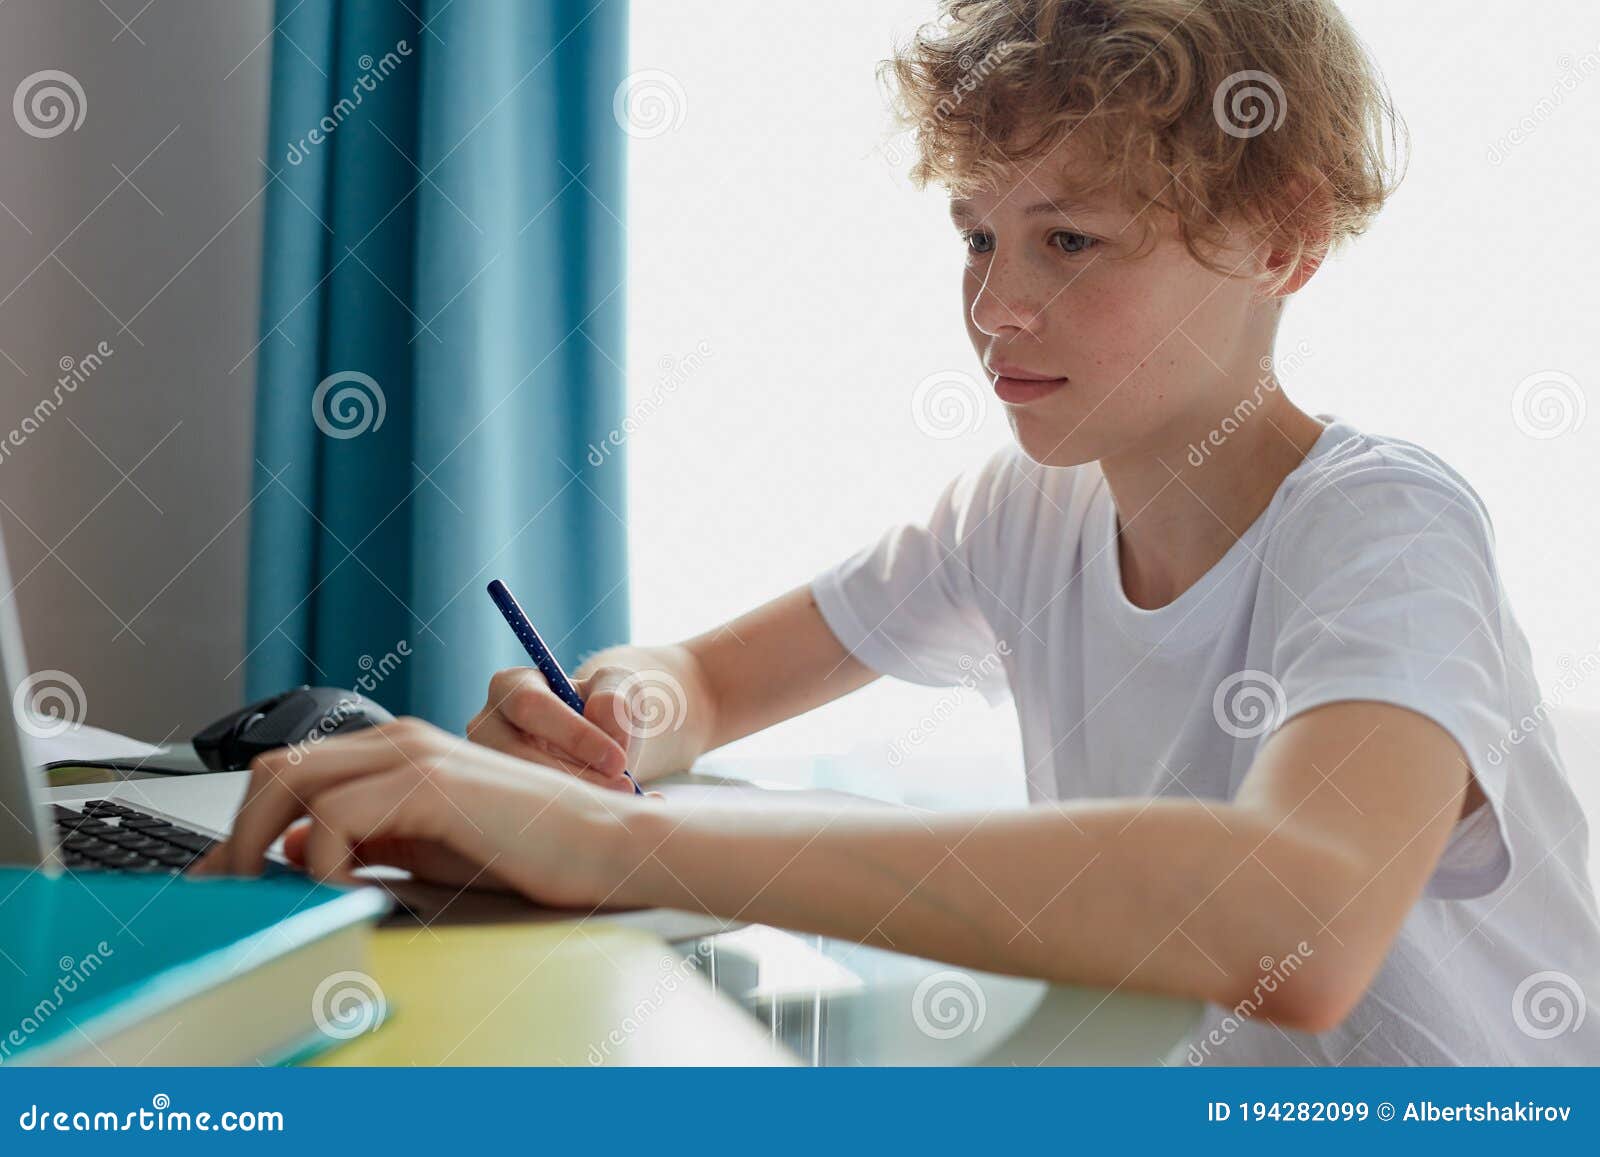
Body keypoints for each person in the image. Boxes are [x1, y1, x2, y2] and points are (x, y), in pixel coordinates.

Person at [197, 0, 1600, 1064]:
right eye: (976, 236)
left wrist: (605, 841)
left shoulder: (1387, 530)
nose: (995, 306)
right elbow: (710, 682)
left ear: (1283, 234)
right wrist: (613, 717)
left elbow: (1295, 919)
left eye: (1070, 241)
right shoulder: (1027, 506)